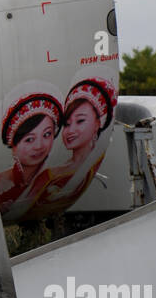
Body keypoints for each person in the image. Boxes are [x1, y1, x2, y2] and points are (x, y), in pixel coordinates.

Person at [36, 77, 118, 211]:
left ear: (99, 123)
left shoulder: (101, 164)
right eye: (67, 124)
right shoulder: (48, 175)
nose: (70, 130)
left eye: (80, 121)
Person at [0, 91, 64, 222]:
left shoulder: (59, 177)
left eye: (47, 134)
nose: (39, 146)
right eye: (29, 139)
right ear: (13, 144)